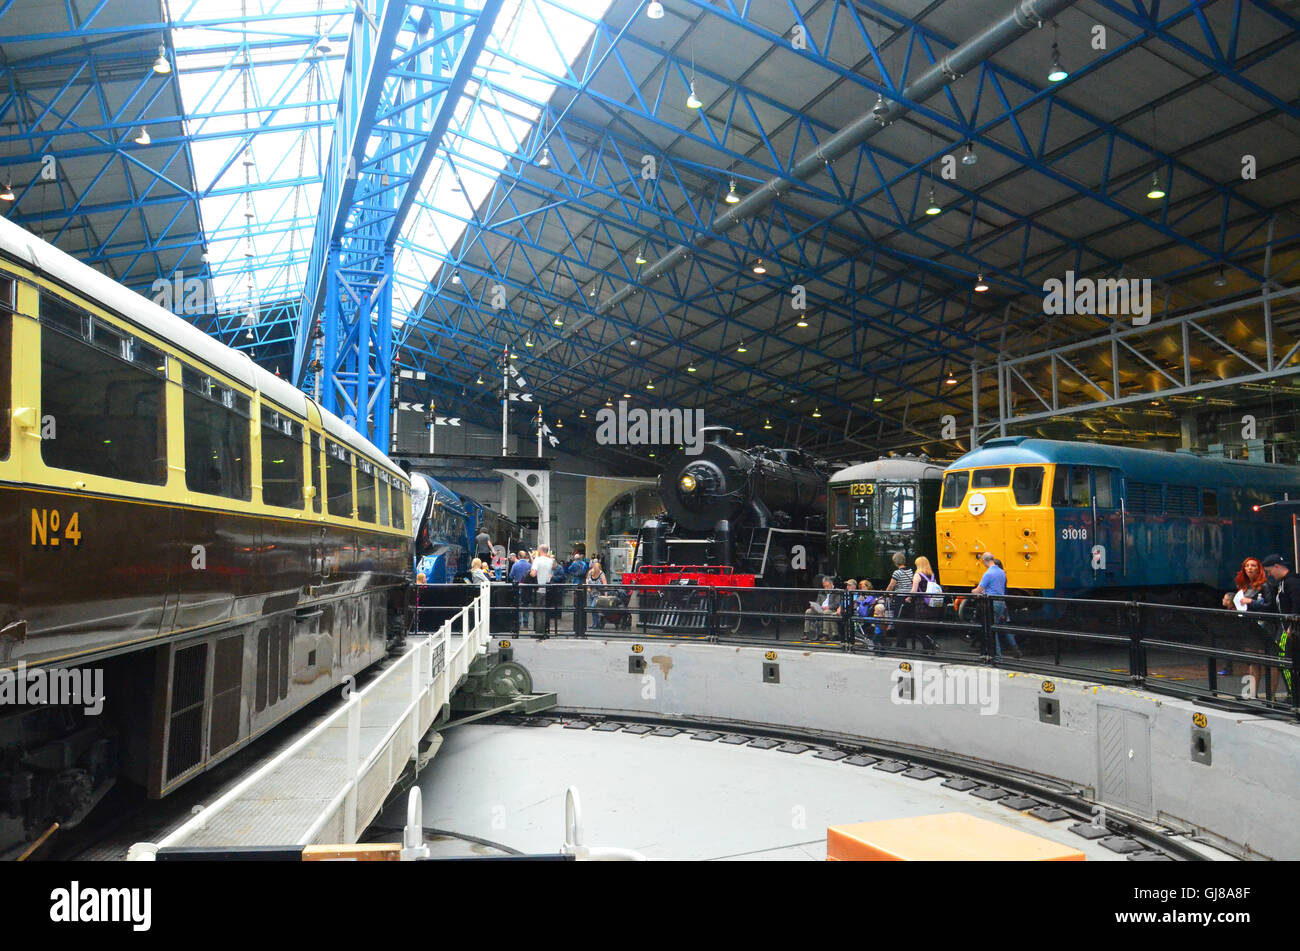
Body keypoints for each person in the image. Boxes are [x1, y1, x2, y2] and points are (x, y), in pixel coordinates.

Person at [1247, 554, 1300, 696]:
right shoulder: (1284, 583)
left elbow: (1296, 604)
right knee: (1284, 661)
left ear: (1277, 566)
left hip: (1289, 628)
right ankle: (1293, 694)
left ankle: (1294, 695)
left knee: (1283, 661)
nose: (1269, 574)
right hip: (1285, 626)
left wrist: (1292, 626)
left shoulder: (1291, 582)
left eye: (1269, 570)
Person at [972, 551, 1019, 658]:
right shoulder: (1002, 572)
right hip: (1002, 602)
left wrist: (972, 591)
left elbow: (978, 590)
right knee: (999, 627)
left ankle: (996, 655)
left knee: (991, 630)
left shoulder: (988, 574)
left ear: (984, 561)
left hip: (992, 604)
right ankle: (1013, 648)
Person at [909, 555, 941, 652]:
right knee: (929, 627)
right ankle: (931, 646)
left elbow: (914, 591)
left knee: (919, 628)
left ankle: (927, 647)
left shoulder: (917, 575)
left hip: (921, 605)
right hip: (932, 605)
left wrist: (908, 597)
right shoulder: (932, 576)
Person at [884, 552, 914, 645]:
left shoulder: (897, 572)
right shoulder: (910, 570)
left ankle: (901, 644)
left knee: (898, 621)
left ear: (895, 562)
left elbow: (891, 585)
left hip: (900, 599)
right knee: (906, 621)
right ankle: (906, 642)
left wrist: (886, 593)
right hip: (909, 598)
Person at [803, 575, 841, 640]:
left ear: (831, 584)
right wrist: (814, 606)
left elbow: (837, 604)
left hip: (831, 610)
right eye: (824, 586)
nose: (826, 588)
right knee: (808, 611)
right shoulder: (821, 591)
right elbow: (818, 602)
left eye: (827, 586)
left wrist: (828, 607)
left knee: (826, 612)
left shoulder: (837, 591)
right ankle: (807, 632)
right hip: (821, 609)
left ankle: (825, 634)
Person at [532, 545, 556, 635]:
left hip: (539, 588)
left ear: (540, 550)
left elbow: (533, 574)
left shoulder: (537, 560)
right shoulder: (550, 561)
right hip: (548, 588)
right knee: (545, 611)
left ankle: (539, 631)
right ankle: (546, 630)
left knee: (538, 611)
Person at [586, 559, 608, 629]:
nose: (595, 570)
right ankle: (595, 623)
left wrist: (606, 595)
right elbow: (587, 579)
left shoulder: (602, 574)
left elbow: (605, 585)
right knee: (593, 609)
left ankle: (597, 623)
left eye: (597, 569)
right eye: (594, 568)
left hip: (598, 594)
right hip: (591, 594)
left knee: (593, 607)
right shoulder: (590, 572)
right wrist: (588, 587)